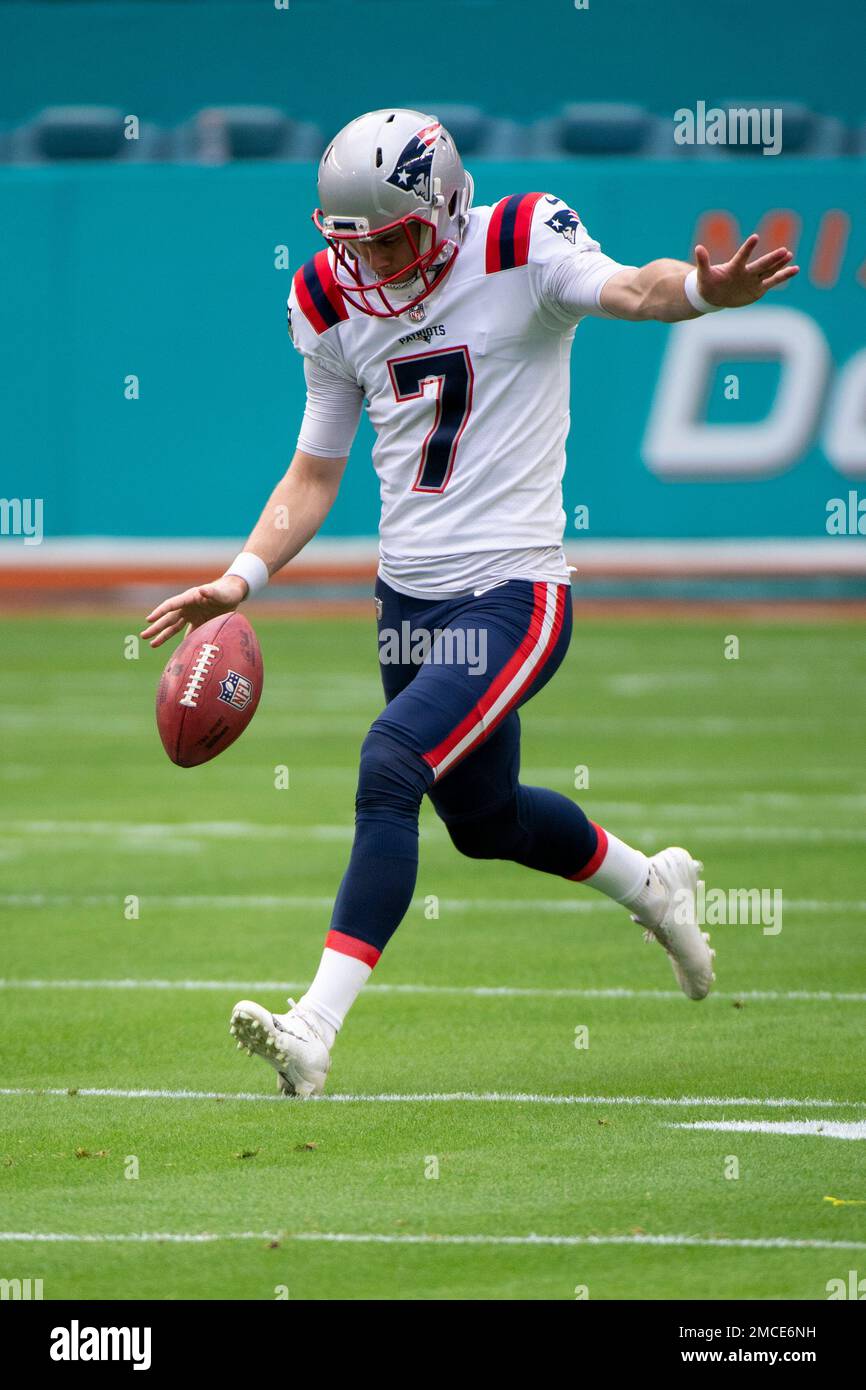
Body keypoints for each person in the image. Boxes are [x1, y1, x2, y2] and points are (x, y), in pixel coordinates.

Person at [142, 108, 799, 1097]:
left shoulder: (518, 238)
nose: (376, 264)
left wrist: (704, 288)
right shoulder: (329, 296)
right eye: (354, 242)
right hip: (406, 599)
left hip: (512, 591)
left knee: (389, 761)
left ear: (444, 210)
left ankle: (313, 1028)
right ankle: (651, 884)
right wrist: (241, 578)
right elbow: (314, 474)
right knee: (483, 820)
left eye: (395, 237)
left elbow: (630, 287)